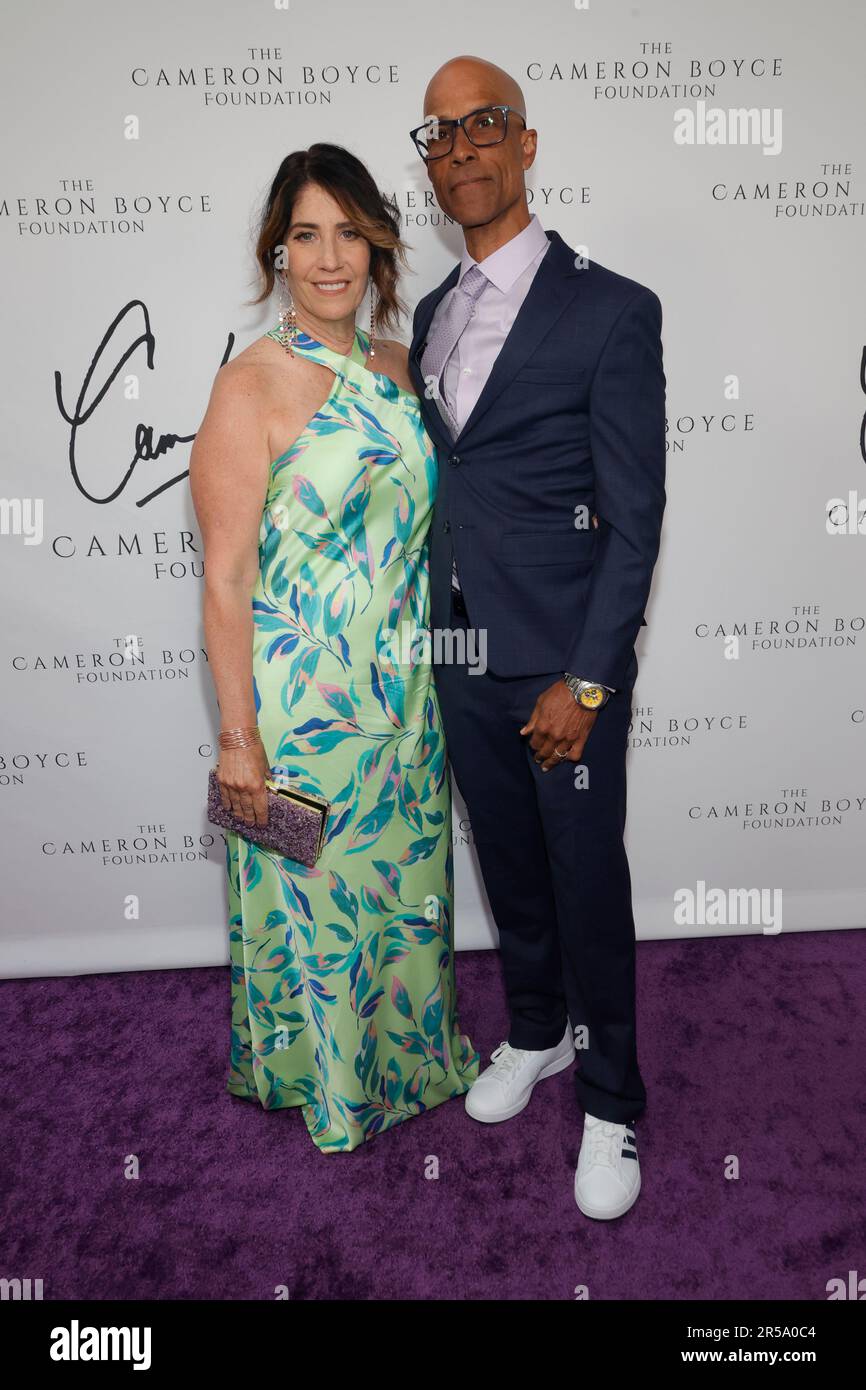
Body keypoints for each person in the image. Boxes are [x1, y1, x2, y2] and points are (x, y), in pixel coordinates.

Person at [407, 57, 667, 1217]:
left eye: (482, 126)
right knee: (505, 864)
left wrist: (590, 679)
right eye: (439, 132)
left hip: (562, 667)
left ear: (524, 143)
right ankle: (535, 1033)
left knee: (583, 880)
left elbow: (634, 515)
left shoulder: (610, 308)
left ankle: (611, 1100)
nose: (459, 148)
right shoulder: (429, 312)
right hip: (457, 650)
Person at [189, 143, 478, 1154]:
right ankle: (326, 1082)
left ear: (378, 245)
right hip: (302, 709)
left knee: (404, 895)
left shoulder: (401, 370)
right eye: (305, 234)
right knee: (316, 907)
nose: (328, 257)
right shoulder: (248, 387)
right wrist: (237, 738)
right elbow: (224, 578)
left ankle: (411, 1058)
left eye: (348, 232)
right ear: (277, 249)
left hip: (406, 701)